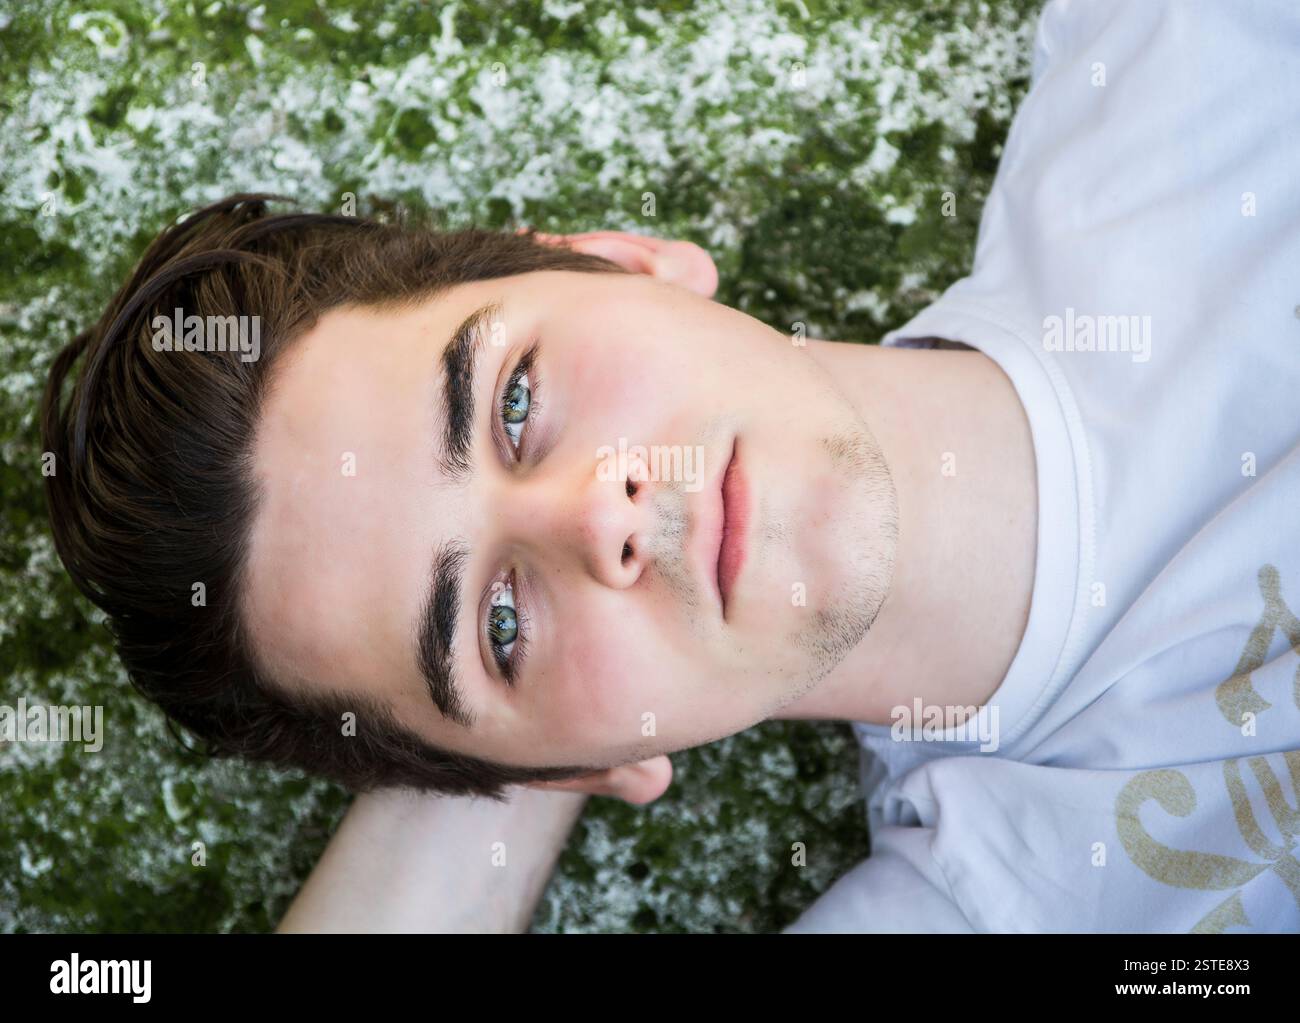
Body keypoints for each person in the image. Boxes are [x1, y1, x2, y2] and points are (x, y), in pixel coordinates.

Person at [40, 0, 1299, 933]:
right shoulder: (1005, 910)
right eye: (494, 622)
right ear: (585, 770)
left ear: (627, 259)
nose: (601, 516)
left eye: (514, 400)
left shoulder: (1191, 61)